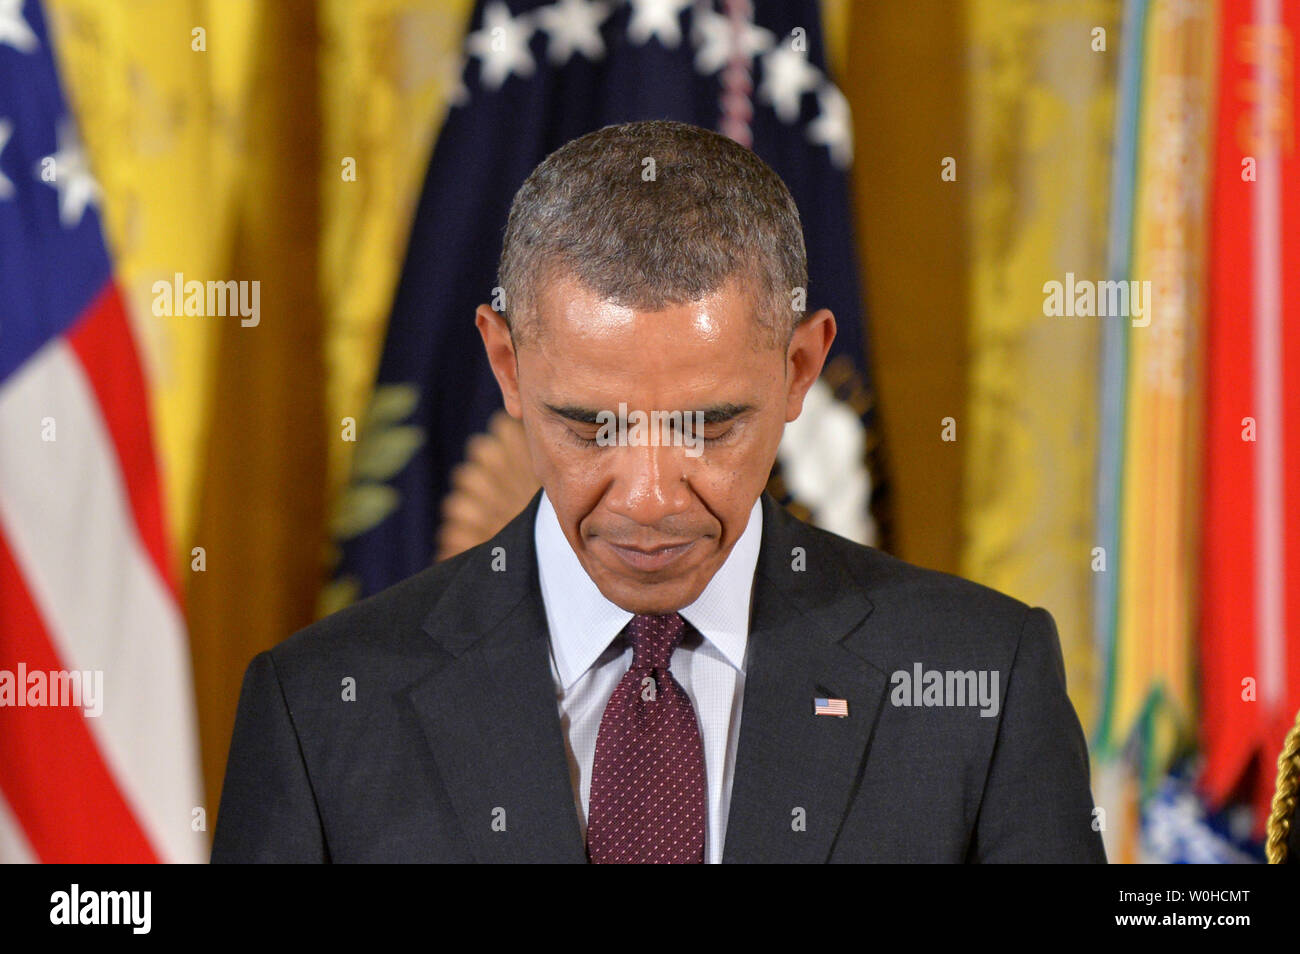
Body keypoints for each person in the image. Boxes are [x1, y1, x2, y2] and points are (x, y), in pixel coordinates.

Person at [211, 120, 1106, 863]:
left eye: (708, 426)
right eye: (591, 426)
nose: (647, 499)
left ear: (801, 368)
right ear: (506, 363)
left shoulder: (985, 685)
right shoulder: (318, 710)